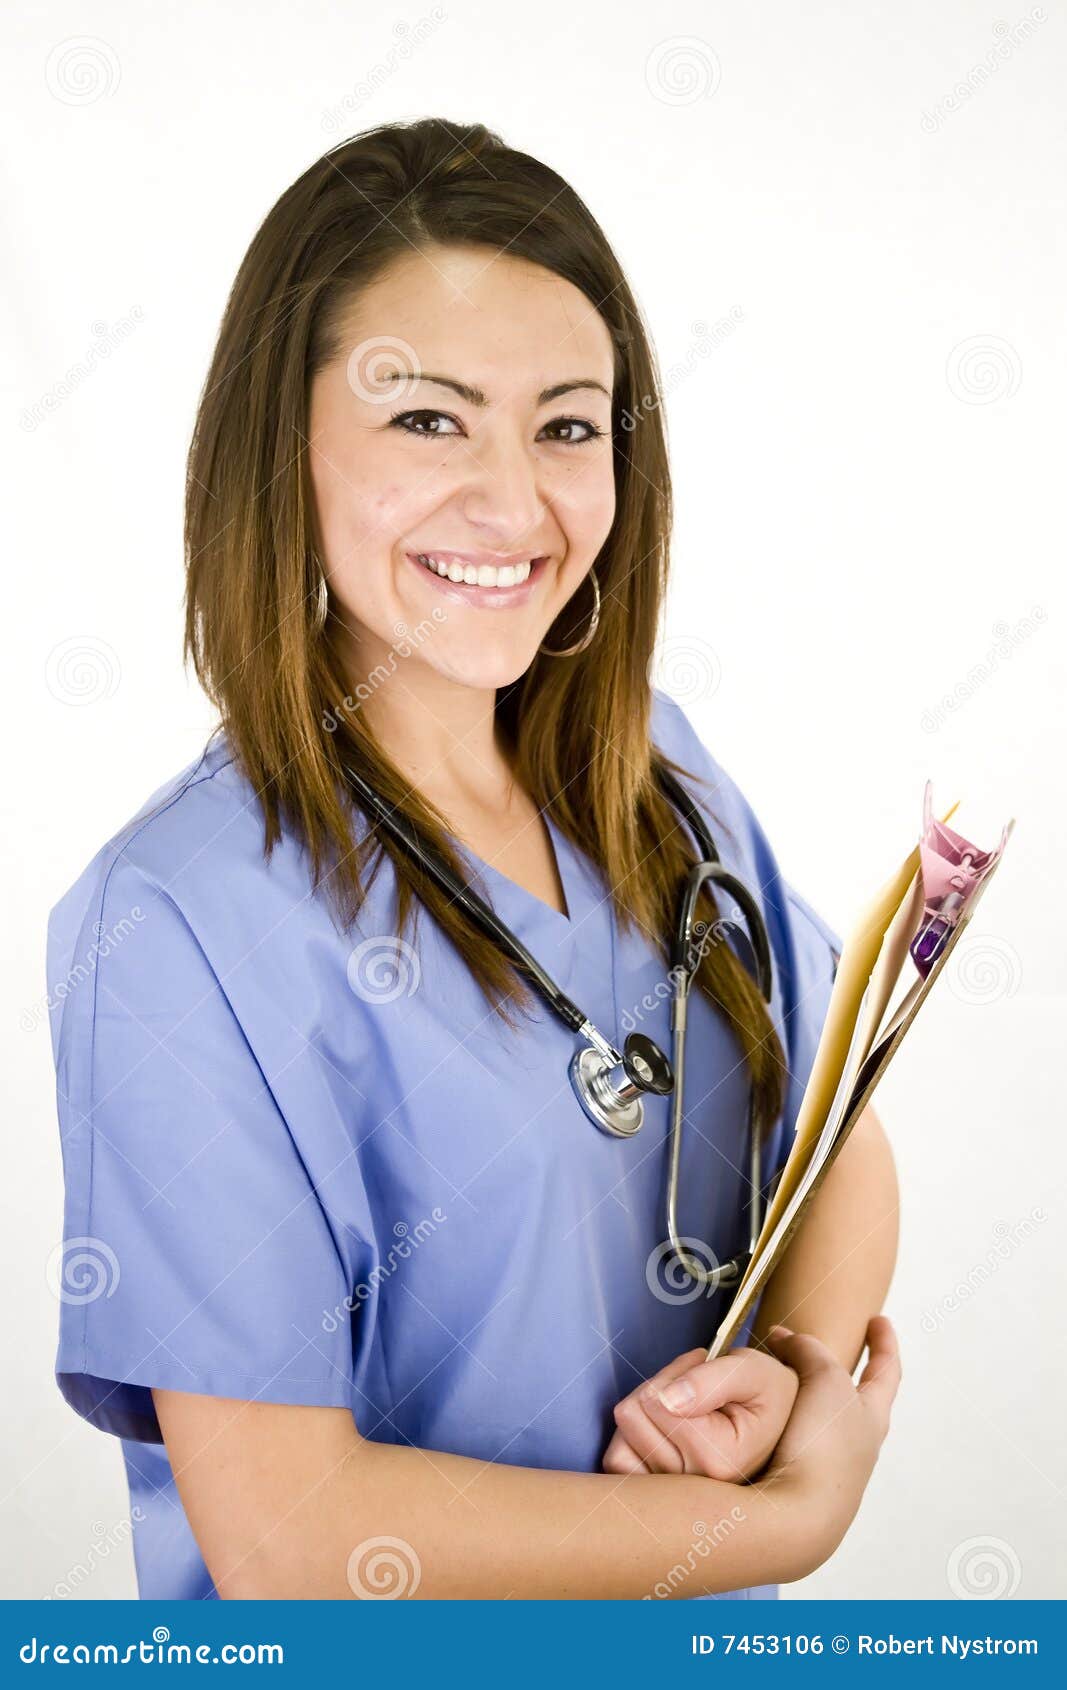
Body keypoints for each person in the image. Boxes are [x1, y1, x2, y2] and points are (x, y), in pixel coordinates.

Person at [45, 116, 900, 1601]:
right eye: (428, 420)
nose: (515, 505)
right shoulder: (182, 918)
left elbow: (838, 1136)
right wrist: (779, 1519)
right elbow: (293, 1541)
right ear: (284, 444)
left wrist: (793, 1360)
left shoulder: (656, 771)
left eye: (568, 426)